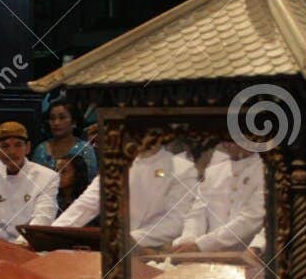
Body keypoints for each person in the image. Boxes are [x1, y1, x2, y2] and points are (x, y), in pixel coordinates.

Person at [52, 126, 191, 249]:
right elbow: (84, 206)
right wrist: (50, 234)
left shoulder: (183, 169)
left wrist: (130, 239)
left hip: (163, 254)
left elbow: (175, 222)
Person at [172, 138, 263, 252]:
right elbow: (197, 213)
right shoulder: (213, 171)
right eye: (226, 141)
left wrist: (202, 245)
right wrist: (188, 240)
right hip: (209, 255)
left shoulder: (264, 170)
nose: (228, 145)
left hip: (247, 253)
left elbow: (251, 218)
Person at [33, 101, 98, 213]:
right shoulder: (41, 149)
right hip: (44, 206)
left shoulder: (85, 149)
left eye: (62, 118)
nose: (56, 123)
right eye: (52, 118)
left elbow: (90, 184)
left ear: (74, 122)